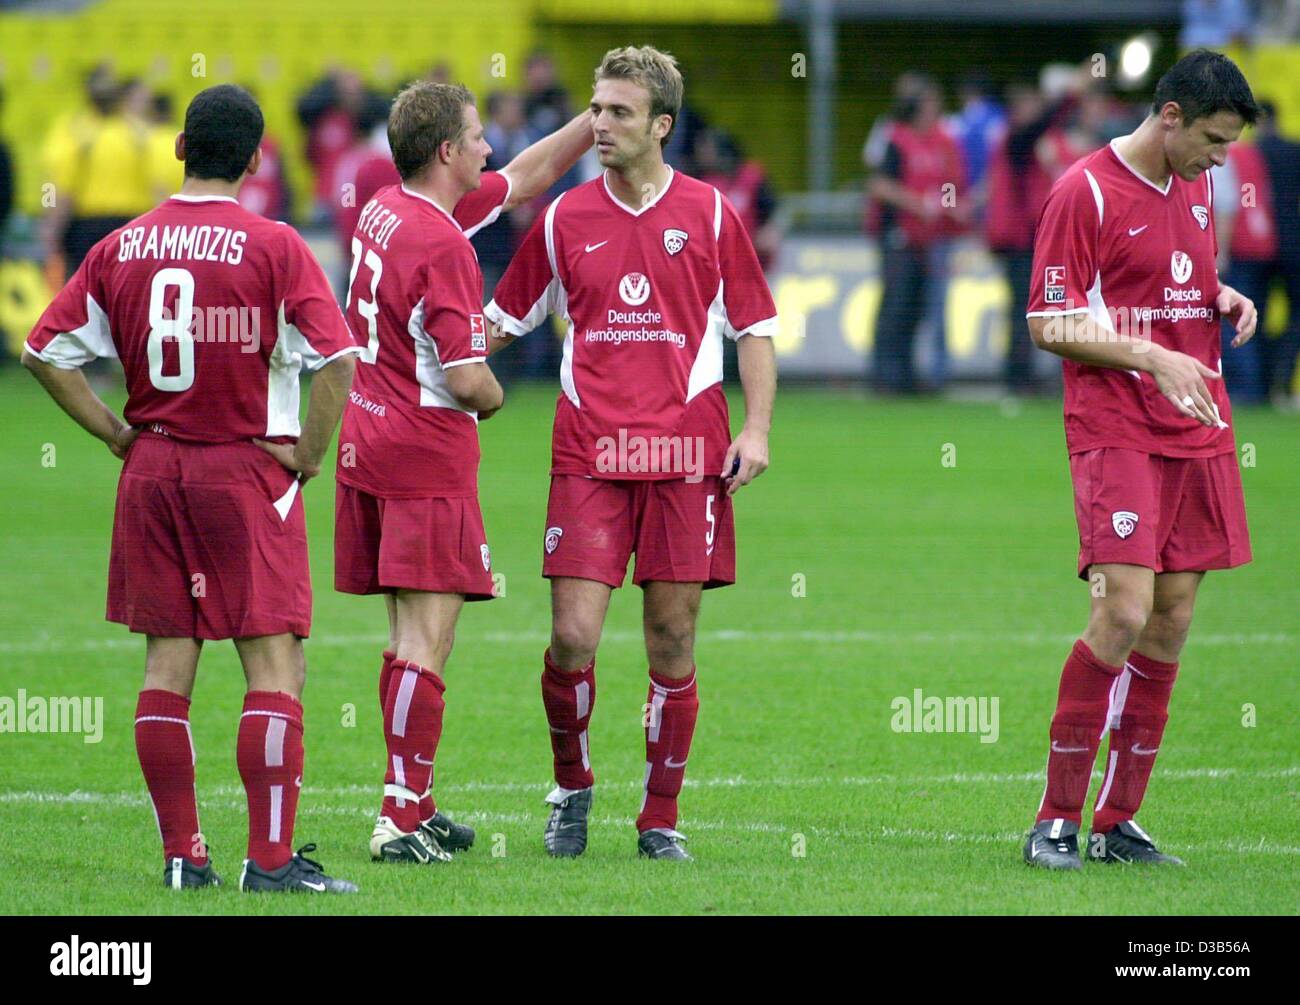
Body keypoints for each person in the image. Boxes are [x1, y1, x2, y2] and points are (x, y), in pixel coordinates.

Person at [22, 84, 361, 893]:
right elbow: (339, 360)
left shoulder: (120, 246)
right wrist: (310, 456)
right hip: (242, 470)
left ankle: (183, 857)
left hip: (153, 471)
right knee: (275, 662)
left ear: (178, 149)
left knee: (167, 663)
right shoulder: (275, 245)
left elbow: (43, 353)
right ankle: (271, 864)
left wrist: (113, 431)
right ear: (253, 160)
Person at [485, 45, 778, 862]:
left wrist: (754, 429)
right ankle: (572, 788)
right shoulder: (562, 218)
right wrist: (425, 349)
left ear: (661, 126)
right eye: (595, 108)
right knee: (573, 635)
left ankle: (659, 817)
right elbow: (499, 324)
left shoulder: (713, 215)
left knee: (671, 638)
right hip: (588, 453)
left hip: (689, 458)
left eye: (616, 112)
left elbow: (755, 328)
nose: (597, 125)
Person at [333, 81, 593, 864]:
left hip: (366, 438)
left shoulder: (389, 205)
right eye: (478, 137)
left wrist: (592, 121)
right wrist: (500, 392)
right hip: (423, 453)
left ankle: (413, 798)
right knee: (427, 638)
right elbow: (465, 378)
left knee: (405, 634)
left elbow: (523, 179)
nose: (489, 148)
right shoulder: (443, 246)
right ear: (447, 151)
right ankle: (397, 819)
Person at [1022, 50, 1259, 869]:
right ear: (1169, 118)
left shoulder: (1193, 185)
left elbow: (1176, 278)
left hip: (1197, 422)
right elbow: (1048, 322)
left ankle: (1117, 821)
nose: (1221, 160)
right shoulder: (1082, 191)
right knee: (1122, 611)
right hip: (1116, 423)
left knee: (1173, 617)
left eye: (1228, 146)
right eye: (1213, 141)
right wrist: (1152, 356)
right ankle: (1054, 818)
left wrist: (1220, 297)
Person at [867, 75, 967, 393]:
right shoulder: (896, 139)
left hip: (927, 238)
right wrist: (918, 203)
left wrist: (950, 208)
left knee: (916, 307)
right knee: (896, 304)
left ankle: (905, 375)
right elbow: (879, 185)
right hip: (898, 234)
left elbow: (950, 184)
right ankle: (885, 375)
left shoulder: (941, 141)